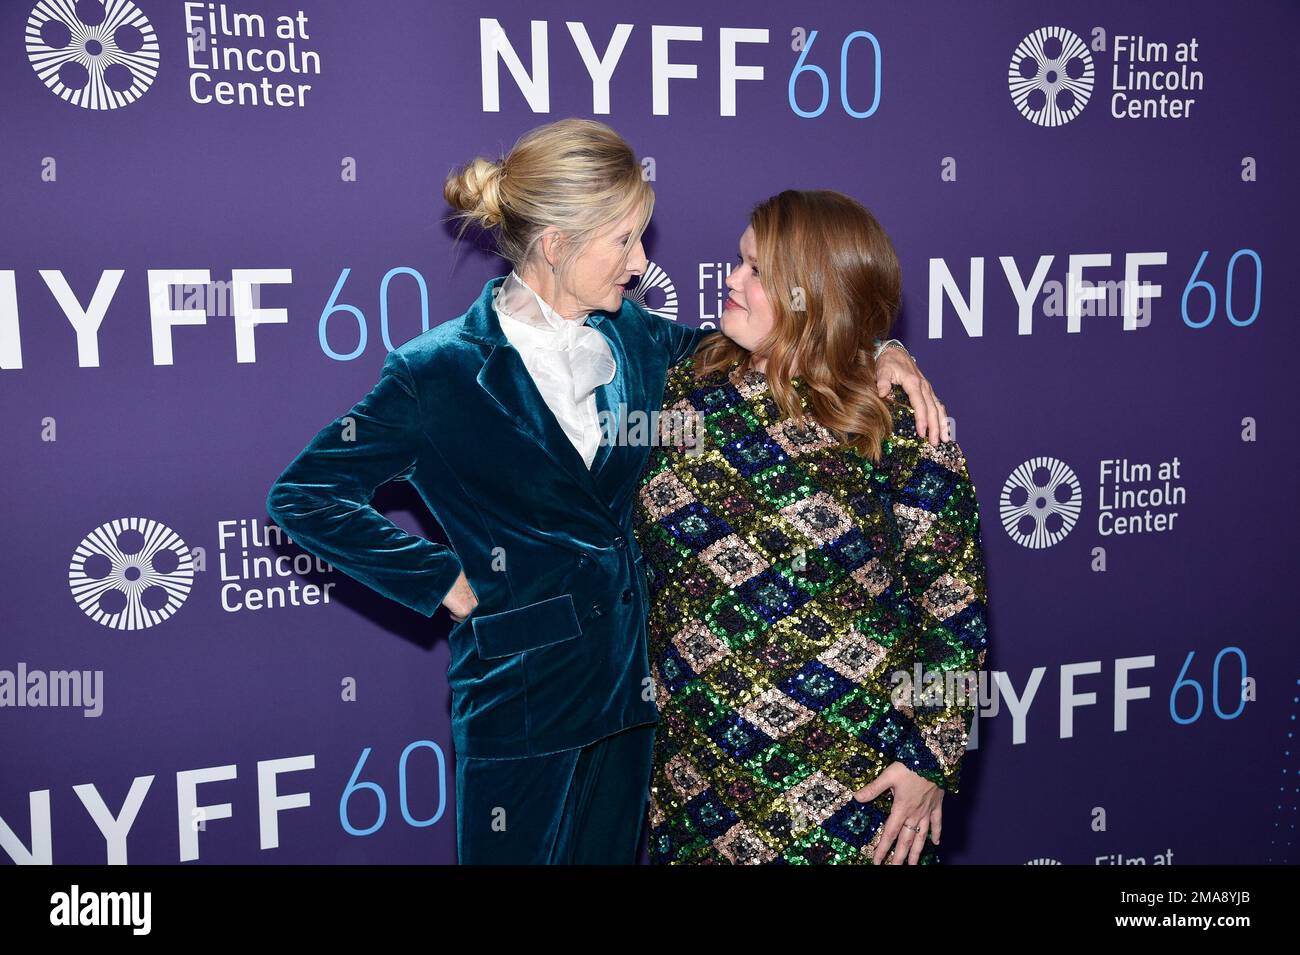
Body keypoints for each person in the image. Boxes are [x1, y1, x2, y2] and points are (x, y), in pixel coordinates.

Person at [265, 119, 943, 864]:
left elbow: (787, 333)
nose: (643, 262)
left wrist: (885, 347)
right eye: (622, 240)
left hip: (636, 708)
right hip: (519, 705)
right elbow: (305, 493)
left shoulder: (640, 341)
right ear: (555, 243)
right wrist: (444, 584)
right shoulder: (437, 373)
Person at [636, 189, 990, 865]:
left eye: (757, 271)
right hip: (696, 790)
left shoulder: (899, 424)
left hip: (849, 801)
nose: (732, 280)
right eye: (737, 261)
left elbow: (954, 605)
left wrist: (932, 757)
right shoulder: (681, 386)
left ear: (814, 293)